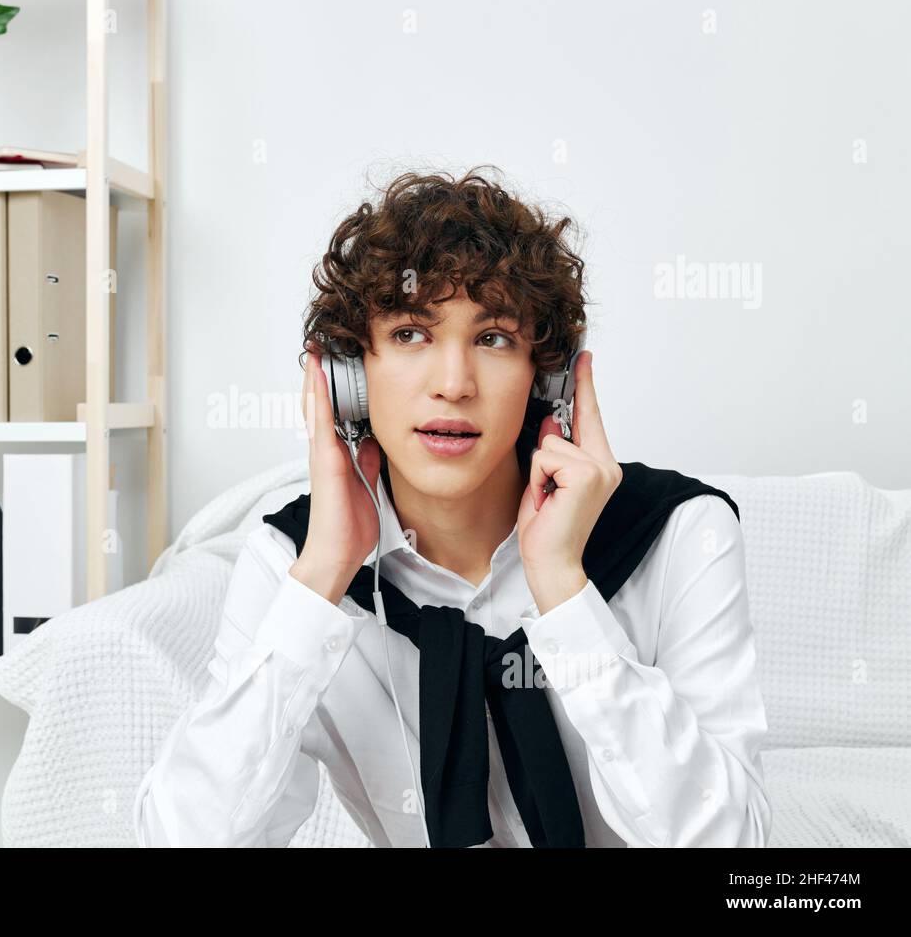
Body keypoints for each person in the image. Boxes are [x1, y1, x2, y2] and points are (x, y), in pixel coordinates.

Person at [133, 167, 771, 847]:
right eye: (411, 333)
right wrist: (319, 583)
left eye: (493, 338)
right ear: (349, 377)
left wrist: (563, 590)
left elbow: (731, 845)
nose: (453, 384)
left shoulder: (679, 533)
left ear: (546, 378)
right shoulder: (294, 565)